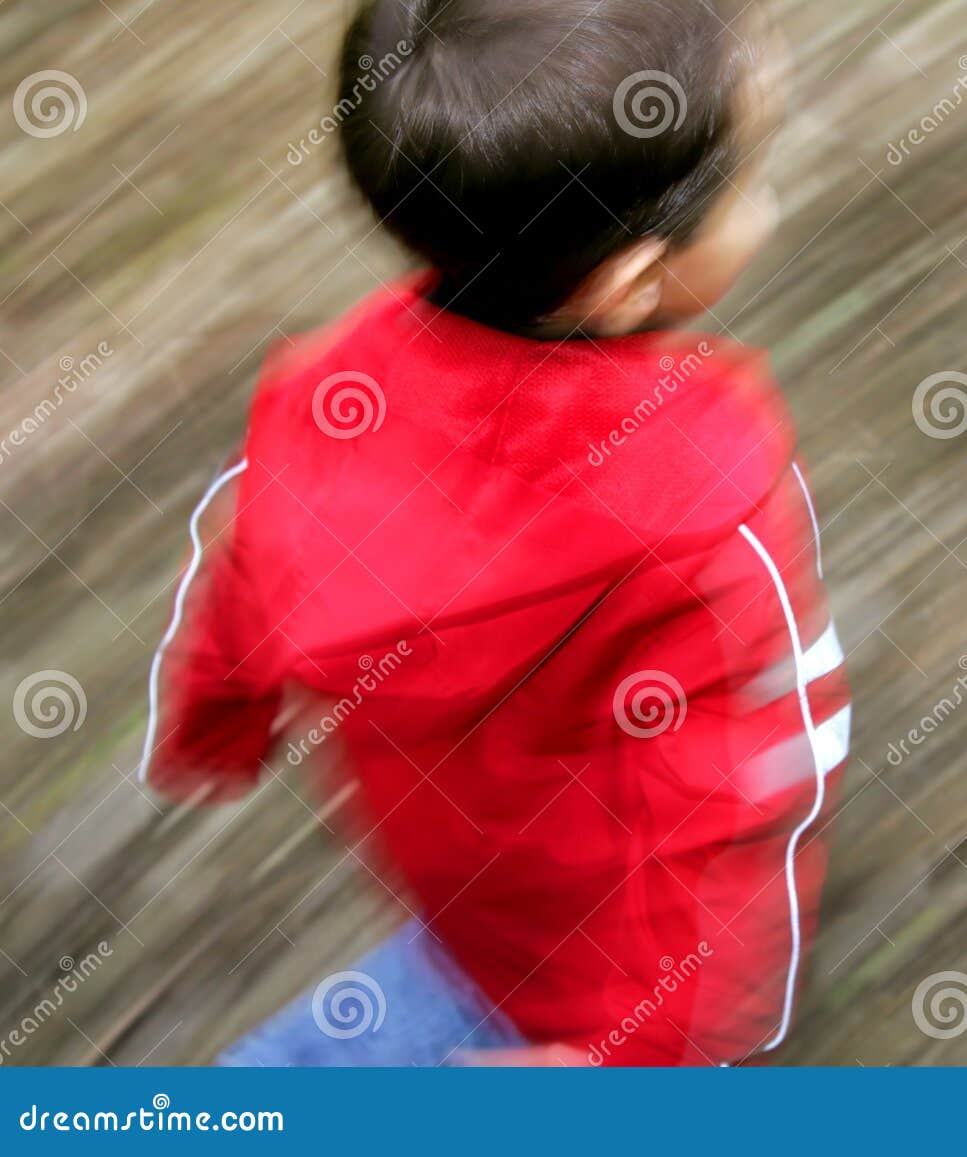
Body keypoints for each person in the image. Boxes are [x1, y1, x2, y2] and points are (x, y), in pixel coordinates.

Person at [141, 0, 848, 1067]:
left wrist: (218, 718)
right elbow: (751, 773)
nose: (772, 202)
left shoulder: (320, 399)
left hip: (454, 882)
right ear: (628, 283)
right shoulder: (708, 486)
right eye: (753, 180)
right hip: (610, 969)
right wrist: (640, 1050)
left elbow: (244, 564)